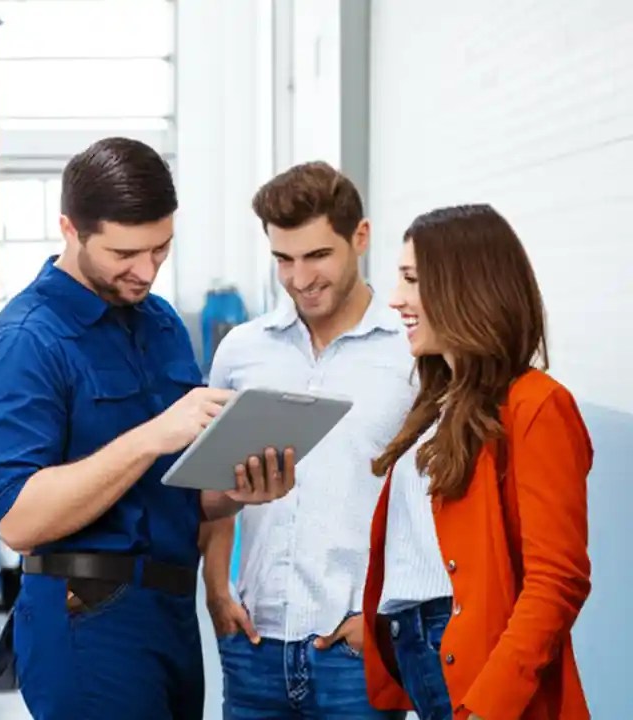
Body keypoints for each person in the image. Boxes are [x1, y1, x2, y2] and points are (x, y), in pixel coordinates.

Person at [0, 136, 295, 720]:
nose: (145, 271)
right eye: (124, 253)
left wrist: (236, 491)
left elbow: (181, 495)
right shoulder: (25, 343)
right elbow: (18, 520)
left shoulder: (159, 323)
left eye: (160, 249)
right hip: (88, 616)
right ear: (70, 229)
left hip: (169, 612)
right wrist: (150, 437)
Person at [200, 161, 416, 719]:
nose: (300, 279)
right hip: (253, 645)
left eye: (318, 255)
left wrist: (382, 621)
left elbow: (436, 504)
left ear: (360, 237)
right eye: (283, 259)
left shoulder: (411, 353)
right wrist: (217, 587)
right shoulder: (242, 351)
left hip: (356, 650)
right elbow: (215, 483)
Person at [360, 204, 593, 720]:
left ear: (464, 287)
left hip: (475, 673)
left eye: (412, 280)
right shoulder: (438, 404)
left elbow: (556, 582)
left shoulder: (536, 404)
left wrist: (486, 708)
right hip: (424, 659)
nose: (396, 299)